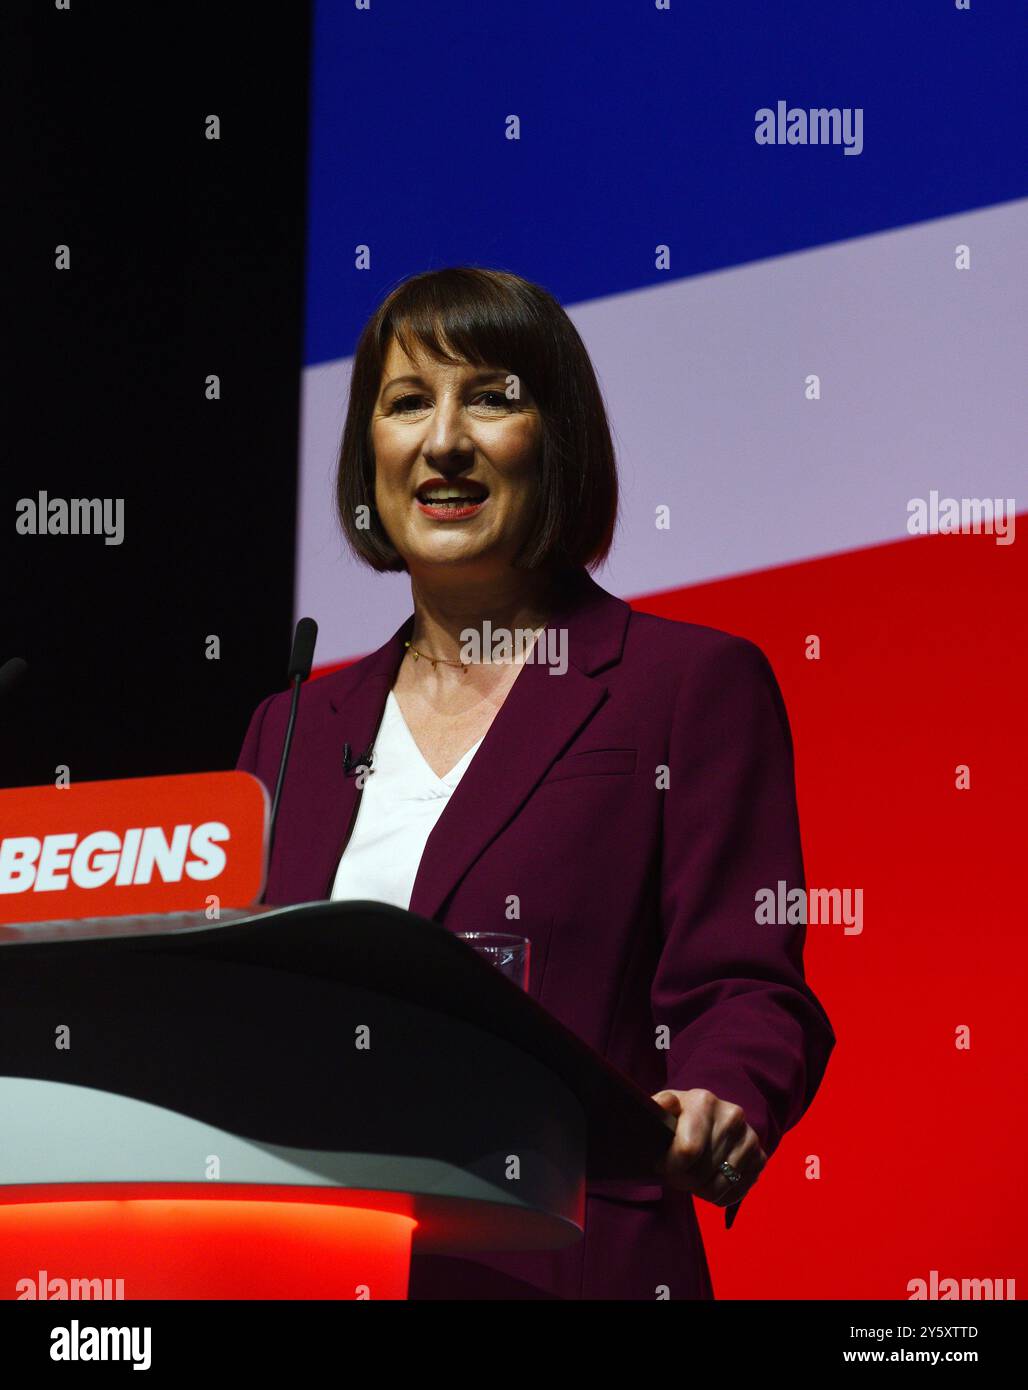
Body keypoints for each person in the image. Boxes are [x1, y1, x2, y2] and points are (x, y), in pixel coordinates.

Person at [236, 266, 835, 1299]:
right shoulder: (288, 726)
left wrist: (717, 1098)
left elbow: (746, 984)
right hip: (309, 1265)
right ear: (367, 453)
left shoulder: (684, 685)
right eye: (407, 401)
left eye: (492, 399)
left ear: (555, 444)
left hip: (564, 1267)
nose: (444, 441)